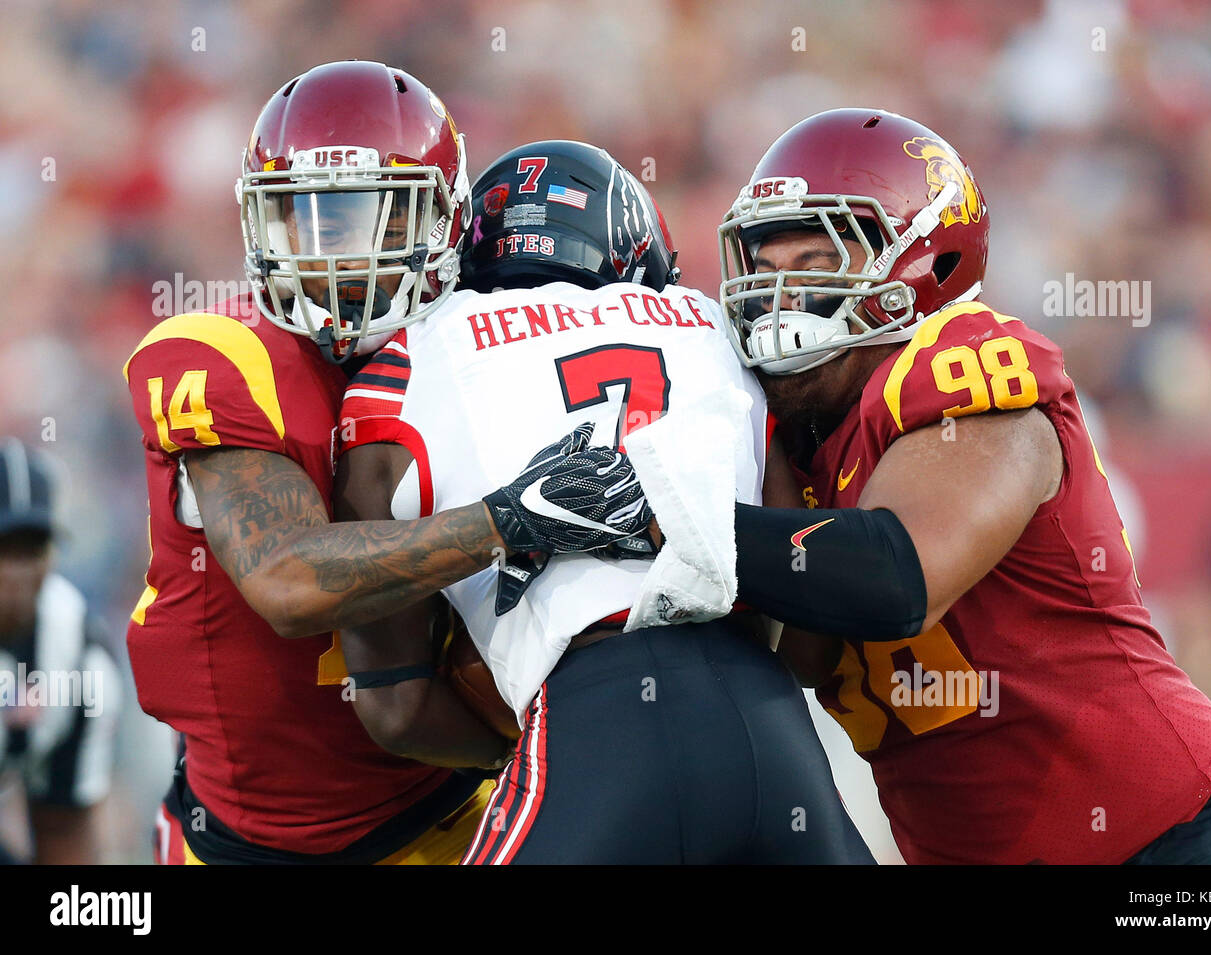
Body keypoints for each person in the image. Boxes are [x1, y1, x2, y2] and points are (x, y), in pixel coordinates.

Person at [714, 108, 1211, 865]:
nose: (781, 300)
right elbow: (808, 655)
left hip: (1171, 852)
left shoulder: (965, 369)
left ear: (923, 265)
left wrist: (672, 523)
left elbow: (894, 575)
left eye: (817, 266)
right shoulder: (808, 444)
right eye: (768, 269)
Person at [125, 62, 646, 865]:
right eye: (311, 222)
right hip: (239, 838)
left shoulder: (483, 343)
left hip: (459, 807)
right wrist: (509, 518)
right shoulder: (222, 353)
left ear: (446, 219)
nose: (343, 255)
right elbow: (288, 580)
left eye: (378, 218)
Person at [334, 140, 874, 864]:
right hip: (770, 730)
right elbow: (810, 636)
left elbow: (394, 706)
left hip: (593, 722)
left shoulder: (406, 362)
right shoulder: (713, 326)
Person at [0, 439, 121, 864]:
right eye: (1, 549)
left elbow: (62, 834)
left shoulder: (77, 657)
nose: (14, 572)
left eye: (29, 549)